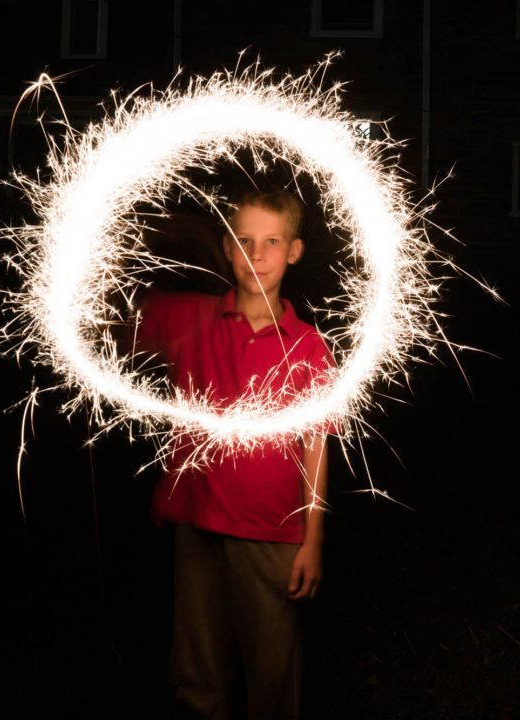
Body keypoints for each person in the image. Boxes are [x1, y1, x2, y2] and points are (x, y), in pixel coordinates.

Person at [137, 186, 333, 720]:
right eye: (244, 240)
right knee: (197, 677)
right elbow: (99, 321)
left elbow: (316, 443)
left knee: (271, 676)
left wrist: (312, 538)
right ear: (226, 247)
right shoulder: (188, 318)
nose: (257, 254)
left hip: (272, 532)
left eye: (272, 241)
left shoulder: (309, 346)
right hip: (196, 525)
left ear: (294, 251)